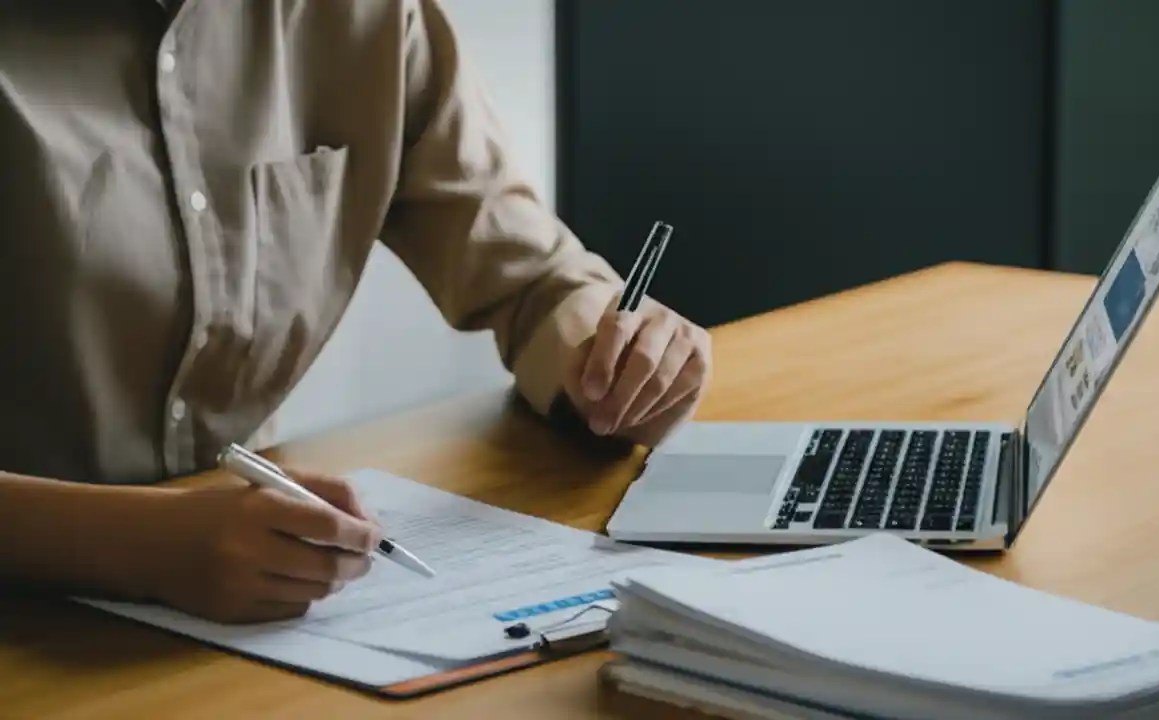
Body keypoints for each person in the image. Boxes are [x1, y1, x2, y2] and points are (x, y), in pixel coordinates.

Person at [0, 1, 711, 623]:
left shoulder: (368, 13)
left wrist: (614, 363)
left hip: (253, 607)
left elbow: (530, 275)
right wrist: (139, 544)